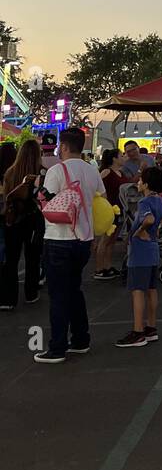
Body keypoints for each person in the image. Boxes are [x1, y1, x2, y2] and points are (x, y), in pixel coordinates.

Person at [34, 126, 106, 364]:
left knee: (58, 294)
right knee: (74, 290)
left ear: (63, 146)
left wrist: (38, 190)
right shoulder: (92, 170)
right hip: (83, 239)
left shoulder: (56, 170)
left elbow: (47, 203)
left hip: (58, 238)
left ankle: (57, 347)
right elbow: (100, 199)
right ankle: (80, 339)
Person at [117, 166, 162, 347]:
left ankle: (138, 331)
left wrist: (141, 230)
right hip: (153, 249)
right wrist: (159, 225)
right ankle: (151, 327)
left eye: (141, 180)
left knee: (137, 291)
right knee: (151, 289)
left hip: (140, 251)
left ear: (147, 184)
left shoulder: (144, 203)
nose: (138, 182)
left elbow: (148, 219)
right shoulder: (158, 200)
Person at [1, 138, 44, 309]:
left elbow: (6, 197)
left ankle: (7, 298)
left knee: (11, 259)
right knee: (32, 259)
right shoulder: (41, 173)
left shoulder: (10, 172)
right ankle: (31, 293)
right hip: (34, 220)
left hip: (12, 219)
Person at [94, 147, 123, 280]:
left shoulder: (120, 172)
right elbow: (96, 185)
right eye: (121, 155)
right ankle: (99, 269)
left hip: (119, 209)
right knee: (105, 240)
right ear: (114, 158)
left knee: (112, 240)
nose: (123, 157)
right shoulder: (106, 171)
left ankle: (108, 266)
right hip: (108, 209)